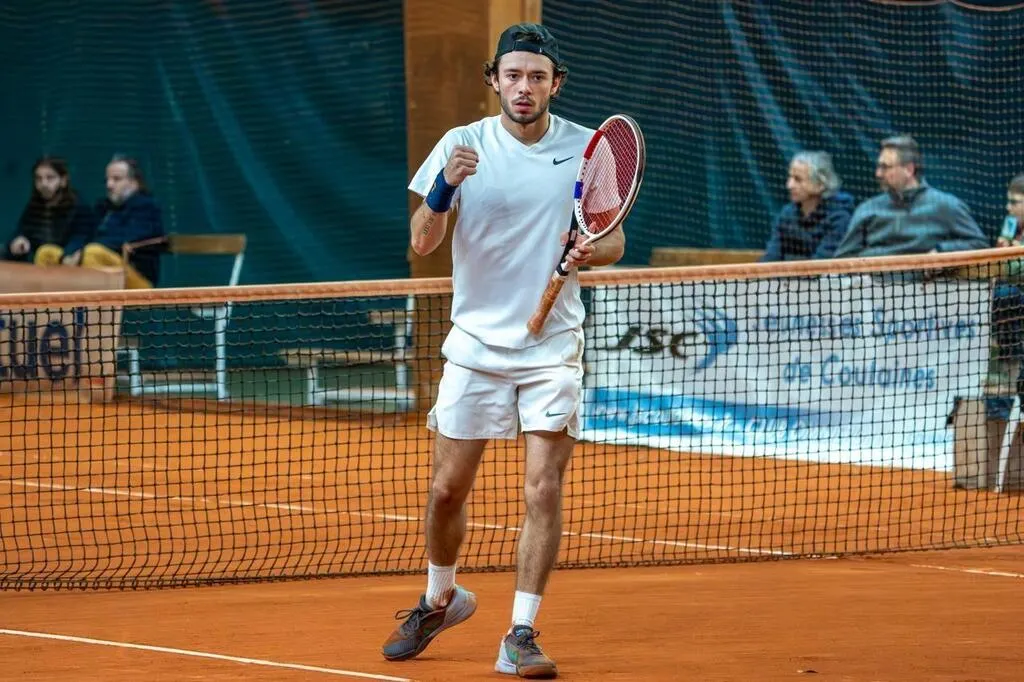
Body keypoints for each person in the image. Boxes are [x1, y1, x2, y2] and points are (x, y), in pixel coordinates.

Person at [380, 23, 624, 679]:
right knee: (445, 492)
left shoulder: (587, 149)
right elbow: (423, 241)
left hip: (552, 347)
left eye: (536, 76)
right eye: (513, 75)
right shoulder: (460, 145)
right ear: (494, 80)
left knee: (542, 490)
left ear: (555, 84)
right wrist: (441, 190)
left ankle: (520, 634)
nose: (524, 87)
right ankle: (441, 597)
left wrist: (589, 249)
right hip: (476, 346)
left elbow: (614, 241)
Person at [833, 135, 987, 258]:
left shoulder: (946, 205)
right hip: (872, 290)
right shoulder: (867, 209)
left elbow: (979, 245)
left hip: (927, 289)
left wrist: (941, 252)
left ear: (909, 169)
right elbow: (842, 259)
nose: (878, 174)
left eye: (885, 167)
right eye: (878, 166)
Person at [62, 155, 166, 288]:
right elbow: (83, 233)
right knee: (47, 254)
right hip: (94, 259)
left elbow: (125, 238)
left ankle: (93, 308)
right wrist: (69, 254)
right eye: (107, 180)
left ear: (134, 182)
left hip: (135, 275)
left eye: (116, 179)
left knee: (94, 252)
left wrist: (82, 253)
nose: (109, 185)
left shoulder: (147, 207)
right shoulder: (103, 207)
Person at [760, 151, 855, 261]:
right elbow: (771, 257)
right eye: (790, 177)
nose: (789, 185)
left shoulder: (839, 218)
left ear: (820, 184)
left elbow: (821, 264)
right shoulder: (787, 215)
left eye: (798, 179)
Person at [4, 157, 96, 265]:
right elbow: (21, 230)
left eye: (50, 178)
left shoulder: (78, 205)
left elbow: (82, 237)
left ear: (63, 181)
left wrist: (69, 253)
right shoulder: (34, 205)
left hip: (62, 258)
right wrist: (17, 240)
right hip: (34, 256)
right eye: (39, 179)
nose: (44, 184)